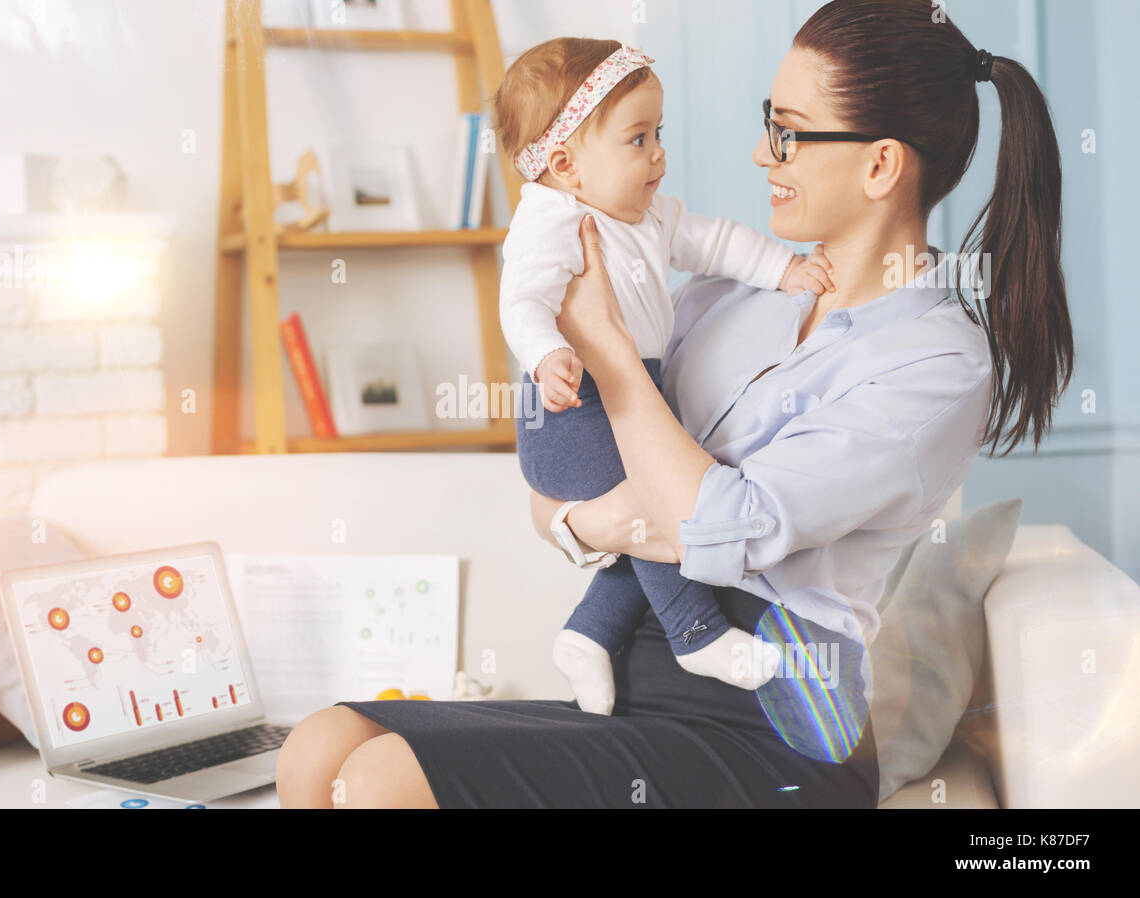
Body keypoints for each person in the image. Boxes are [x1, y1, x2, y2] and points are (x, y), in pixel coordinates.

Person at [275, 0, 1074, 809]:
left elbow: (730, 524)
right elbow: (570, 489)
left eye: (790, 131)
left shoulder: (937, 361)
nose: (763, 152)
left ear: (879, 167)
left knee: (383, 782)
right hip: (634, 673)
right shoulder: (729, 295)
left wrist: (609, 351)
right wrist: (590, 521)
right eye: (771, 122)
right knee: (319, 745)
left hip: (771, 725)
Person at [494, 37, 835, 712]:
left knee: (644, 519)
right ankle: (697, 631)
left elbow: (717, 241)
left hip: (624, 390)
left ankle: (589, 634)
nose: (659, 155)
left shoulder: (646, 215)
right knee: (659, 506)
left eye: (659, 133)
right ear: (565, 164)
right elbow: (521, 300)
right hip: (571, 403)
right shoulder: (552, 217)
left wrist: (785, 270)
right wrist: (545, 355)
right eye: (637, 139)